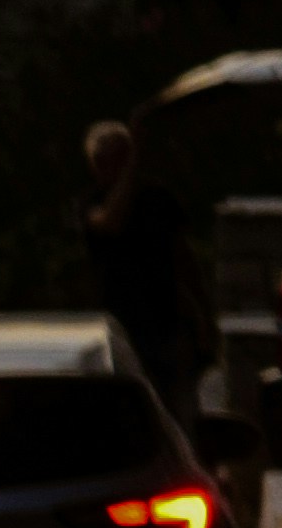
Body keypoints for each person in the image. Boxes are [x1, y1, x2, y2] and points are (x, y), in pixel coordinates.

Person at [83, 114, 209, 411]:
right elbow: (110, 222)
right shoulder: (92, 202)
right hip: (118, 326)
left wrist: (203, 316)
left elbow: (184, 260)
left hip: (164, 323)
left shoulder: (158, 199)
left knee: (175, 403)